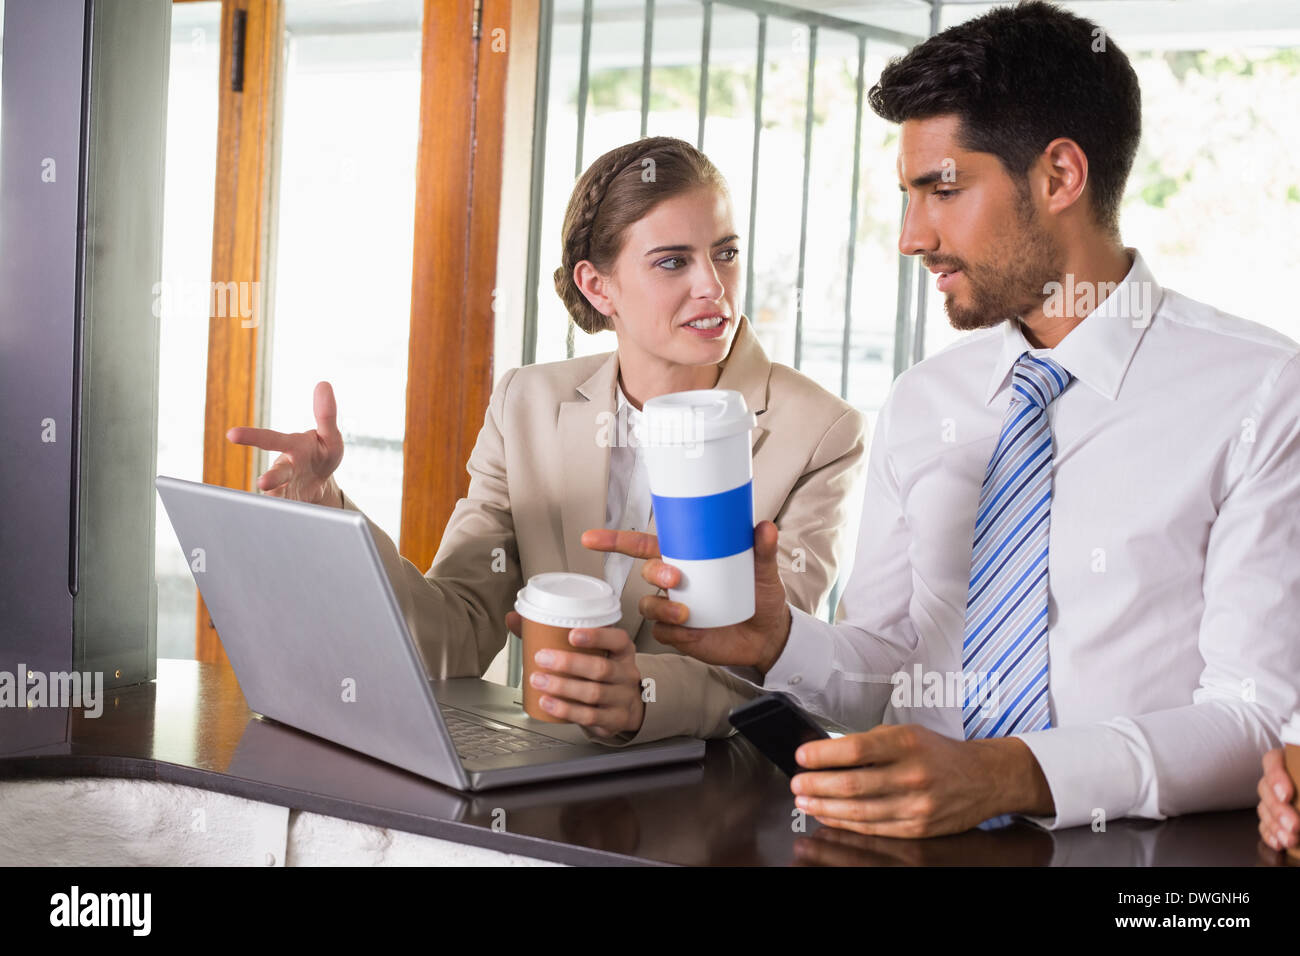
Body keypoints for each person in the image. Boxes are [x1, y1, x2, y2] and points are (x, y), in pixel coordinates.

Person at [600, 0, 1300, 835]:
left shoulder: (1260, 393)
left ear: (1061, 177)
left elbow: (1255, 719)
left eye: (943, 189)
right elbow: (887, 670)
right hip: (916, 853)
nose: (910, 236)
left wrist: (1007, 774)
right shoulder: (927, 399)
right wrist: (780, 642)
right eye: (907, 195)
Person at [227, 136, 866, 745]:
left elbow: (773, 664)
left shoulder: (819, 431)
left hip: (719, 792)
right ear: (597, 285)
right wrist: (332, 512)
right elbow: (458, 634)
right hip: (541, 770)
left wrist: (637, 693)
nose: (713, 286)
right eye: (673, 261)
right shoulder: (526, 404)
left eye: (725, 253)